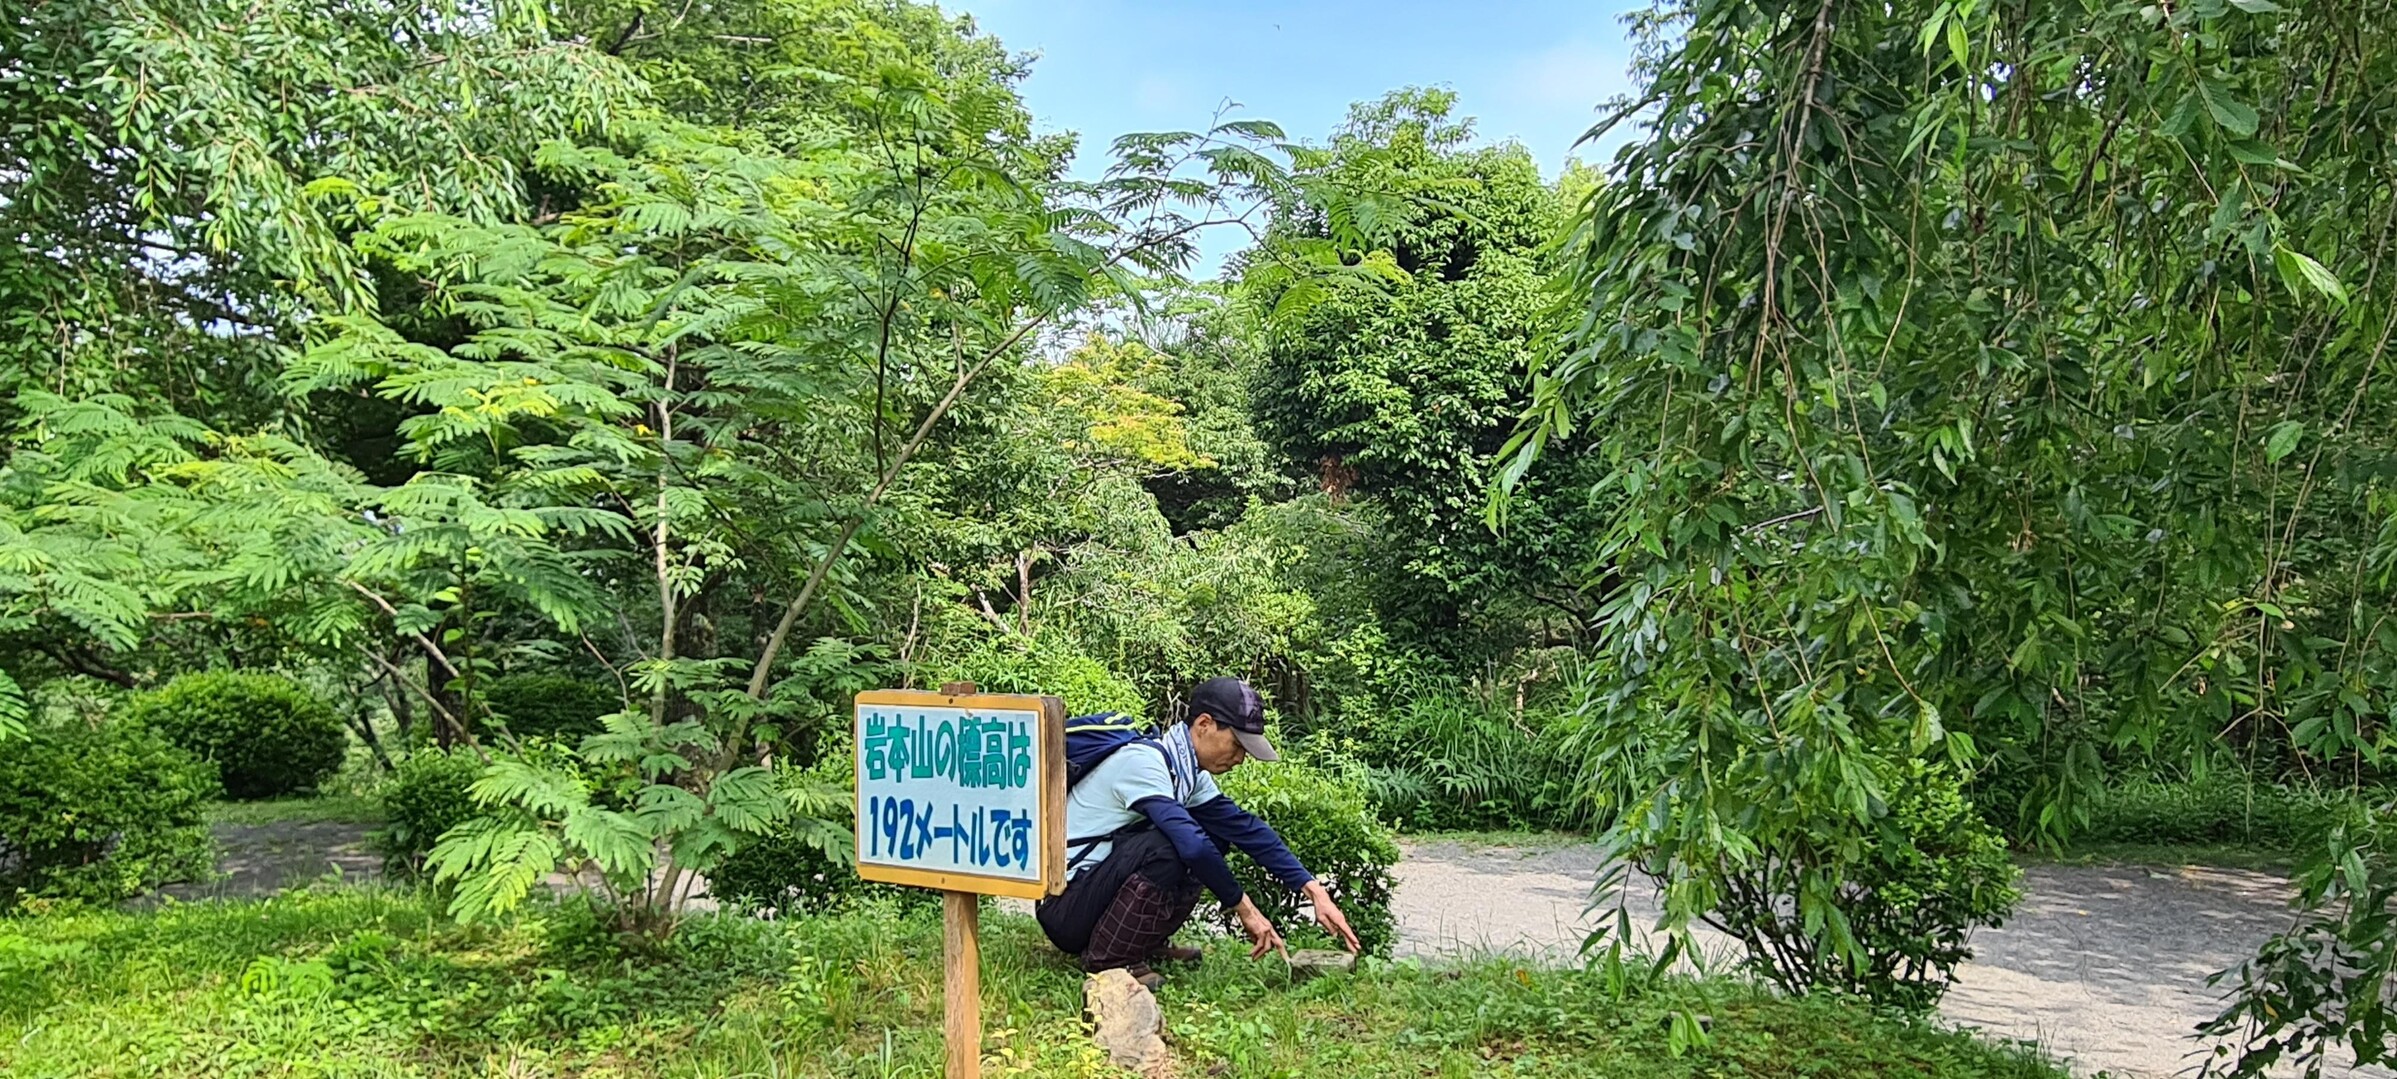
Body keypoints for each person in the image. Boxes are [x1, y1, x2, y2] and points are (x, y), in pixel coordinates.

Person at [1035, 676, 1361, 987]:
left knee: (1212, 839)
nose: (1241, 758)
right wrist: (1246, 909)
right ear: (1204, 725)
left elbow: (1246, 830)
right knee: (1172, 846)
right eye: (1236, 744)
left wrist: (1313, 890)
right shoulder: (1143, 763)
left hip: (1091, 897)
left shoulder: (1186, 773)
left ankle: (1142, 942)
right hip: (1065, 907)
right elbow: (1192, 847)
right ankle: (1111, 959)